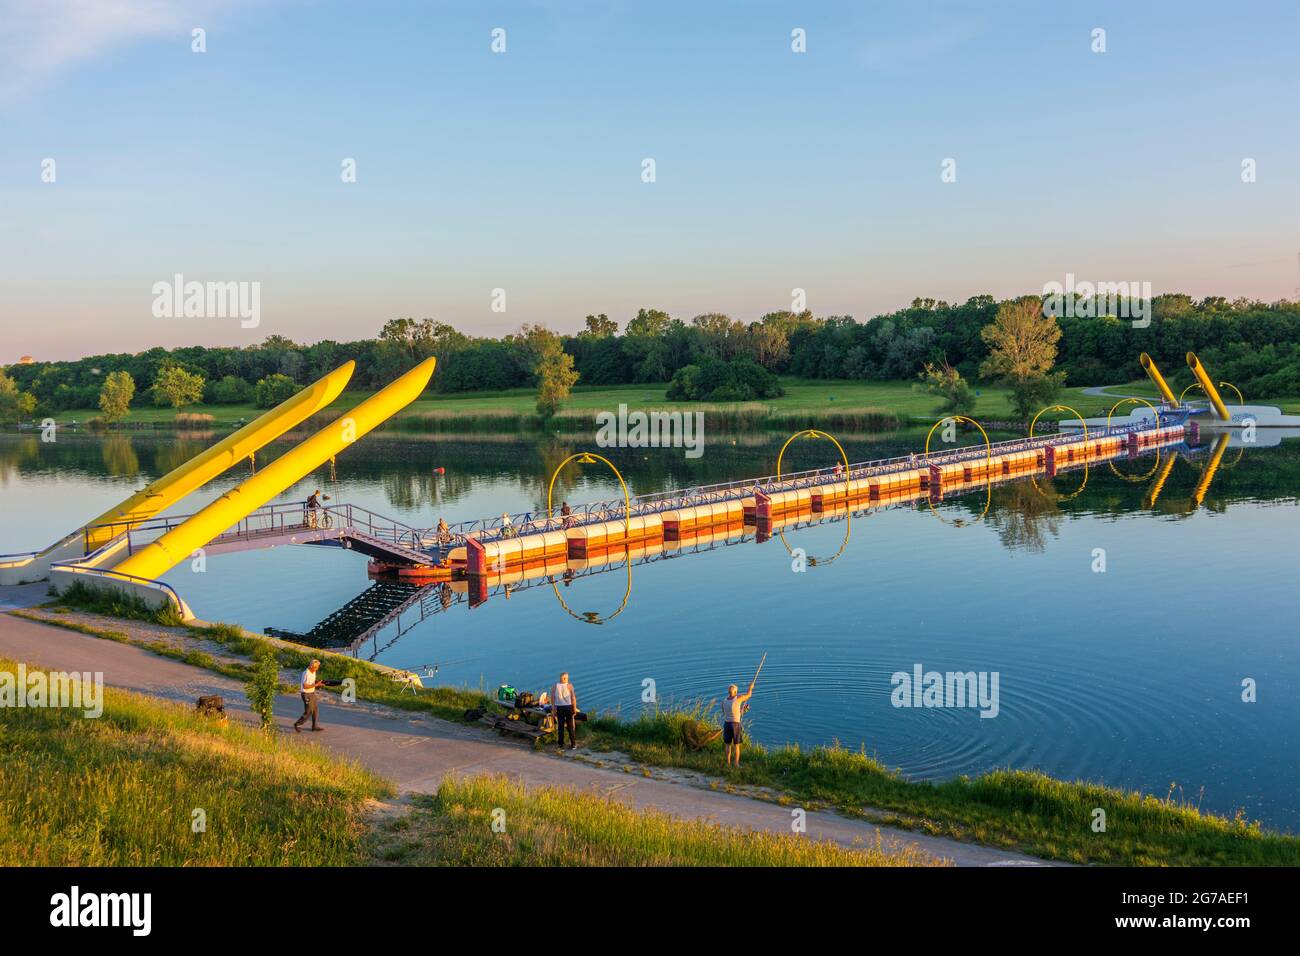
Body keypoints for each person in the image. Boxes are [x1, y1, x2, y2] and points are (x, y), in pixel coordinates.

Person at [722, 677, 756, 767]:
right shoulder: (738, 698)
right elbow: (749, 695)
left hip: (727, 724)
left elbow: (726, 714)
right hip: (735, 725)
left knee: (727, 745)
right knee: (737, 746)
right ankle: (736, 765)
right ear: (735, 692)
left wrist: (741, 710)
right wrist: (751, 687)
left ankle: (727, 764)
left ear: (729, 692)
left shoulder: (723, 701)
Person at [550, 671, 578, 750]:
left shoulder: (555, 686)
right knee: (570, 726)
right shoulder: (570, 686)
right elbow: (573, 698)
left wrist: (553, 709)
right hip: (568, 707)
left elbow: (552, 698)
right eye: (566, 678)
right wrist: (574, 708)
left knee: (560, 727)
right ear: (563, 678)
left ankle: (561, 745)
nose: (567, 679)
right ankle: (573, 744)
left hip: (559, 708)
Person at [294, 659, 324, 732]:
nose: (317, 669)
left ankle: (314, 726)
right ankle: (297, 724)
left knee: (315, 710)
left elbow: (312, 682)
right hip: (306, 694)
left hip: (312, 693)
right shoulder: (306, 673)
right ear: (312, 667)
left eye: (317, 667)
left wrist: (318, 684)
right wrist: (315, 685)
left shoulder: (313, 672)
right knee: (309, 711)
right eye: (316, 667)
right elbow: (305, 686)